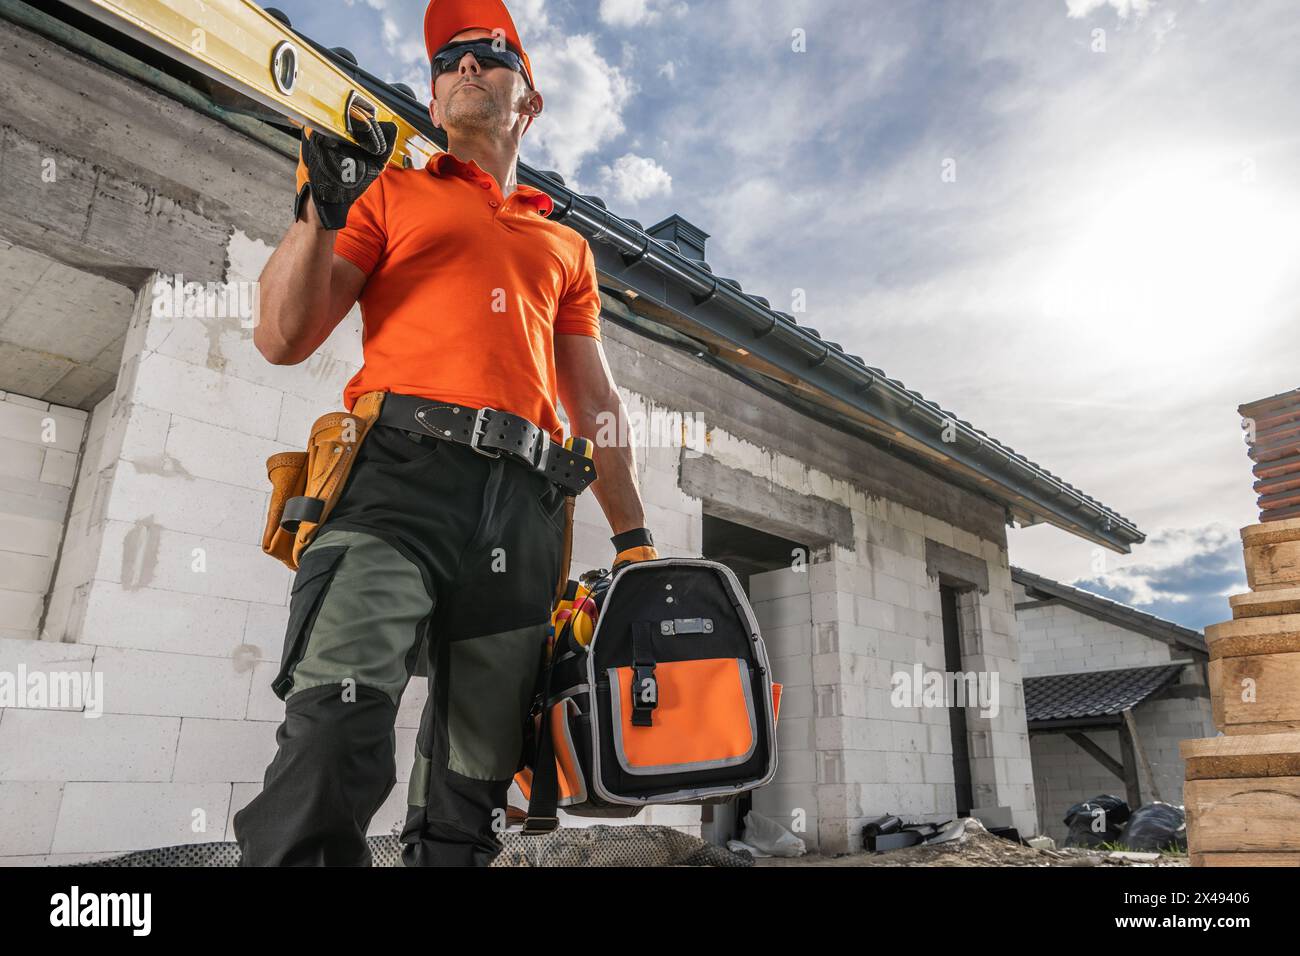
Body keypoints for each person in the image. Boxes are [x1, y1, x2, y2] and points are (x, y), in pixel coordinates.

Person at [234, 0, 657, 866]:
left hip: (527, 511)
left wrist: (637, 545)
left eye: (492, 54)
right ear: (432, 98)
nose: (467, 64)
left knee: (475, 774)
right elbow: (282, 337)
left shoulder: (563, 246)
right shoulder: (387, 189)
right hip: (393, 483)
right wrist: (320, 205)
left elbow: (595, 401)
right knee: (334, 726)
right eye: (451, 58)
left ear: (527, 101)